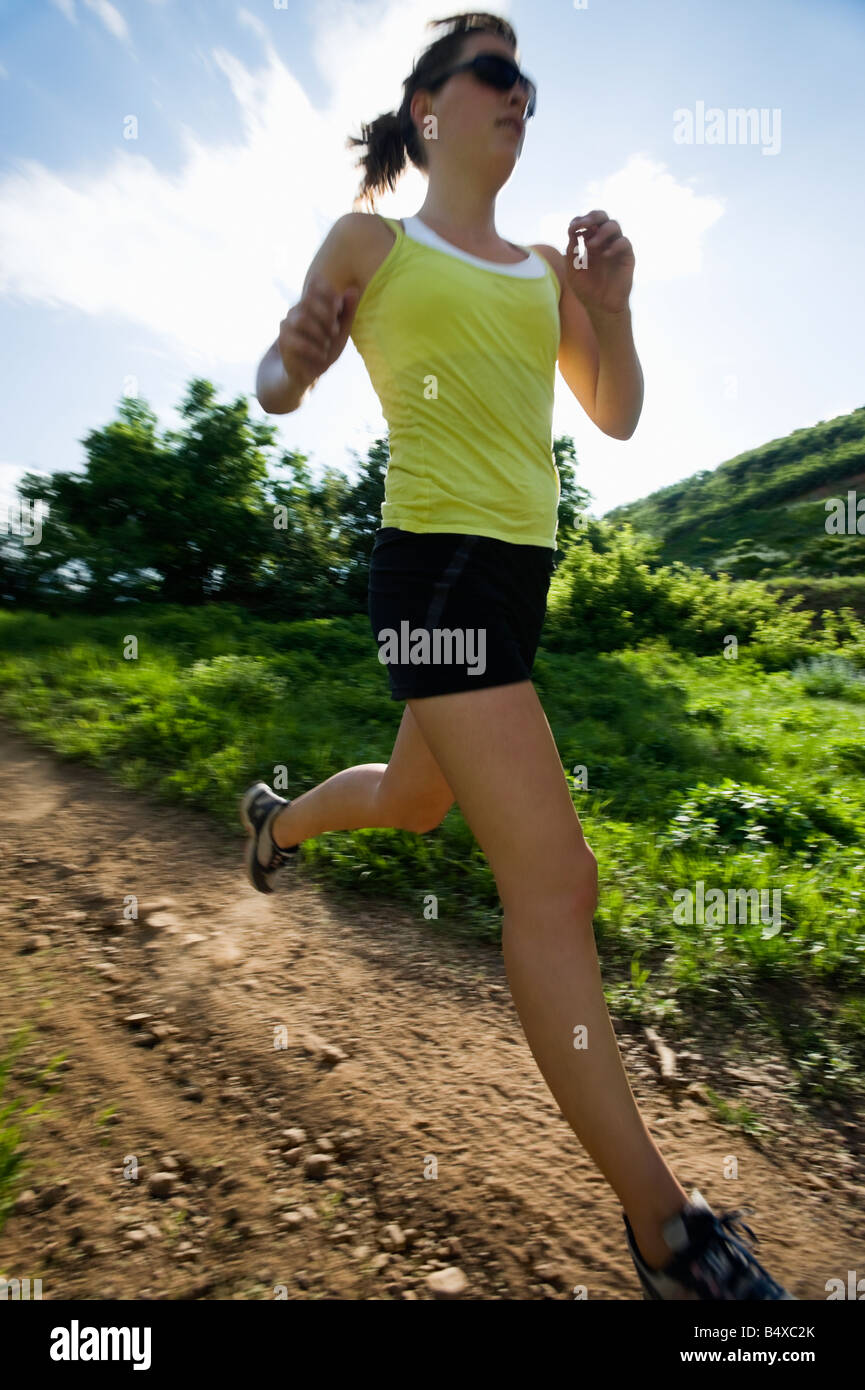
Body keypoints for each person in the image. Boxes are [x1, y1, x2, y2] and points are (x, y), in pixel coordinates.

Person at [243, 11, 794, 1302]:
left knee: (412, 799)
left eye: (528, 81)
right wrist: (292, 359)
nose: (520, 93)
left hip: (516, 579)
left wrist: (614, 308)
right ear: (429, 107)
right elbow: (275, 376)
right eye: (494, 71)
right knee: (554, 881)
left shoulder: (545, 268)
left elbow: (612, 412)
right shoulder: (374, 237)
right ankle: (665, 1235)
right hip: (432, 570)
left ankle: (273, 827)